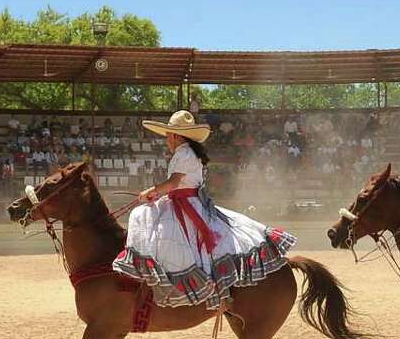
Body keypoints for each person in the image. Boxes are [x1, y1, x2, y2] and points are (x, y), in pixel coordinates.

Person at [114, 110, 295, 309]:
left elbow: (174, 182)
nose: (167, 140)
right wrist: (158, 194)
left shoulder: (184, 153)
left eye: (168, 136)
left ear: (175, 135)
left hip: (185, 204)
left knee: (146, 218)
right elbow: (178, 184)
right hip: (182, 201)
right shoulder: (187, 153)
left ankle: (152, 277)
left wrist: (153, 190)